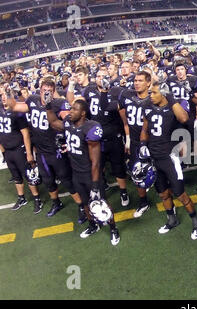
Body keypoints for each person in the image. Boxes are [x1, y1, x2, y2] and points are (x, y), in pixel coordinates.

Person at [7, 78, 85, 221]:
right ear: (40, 90)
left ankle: (81, 205)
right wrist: (9, 92)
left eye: (49, 90)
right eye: (44, 90)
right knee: (48, 180)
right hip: (41, 151)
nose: (46, 93)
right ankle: (56, 203)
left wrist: (66, 134)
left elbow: (68, 120)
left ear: (54, 91)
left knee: (66, 180)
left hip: (56, 150)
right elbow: (14, 107)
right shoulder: (32, 100)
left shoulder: (59, 103)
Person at [46, 98, 120, 246]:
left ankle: (113, 228)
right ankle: (93, 225)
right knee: (85, 203)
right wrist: (48, 106)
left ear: (83, 113)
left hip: (90, 174)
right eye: (71, 108)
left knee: (101, 203)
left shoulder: (90, 128)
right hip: (76, 172)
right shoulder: (68, 123)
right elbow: (54, 122)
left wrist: (94, 185)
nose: (70, 112)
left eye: (74, 109)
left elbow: (96, 162)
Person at [139, 79, 197, 240]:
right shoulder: (147, 107)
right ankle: (171, 219)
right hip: (154, 157)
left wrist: (171, 98)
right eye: (150, 92)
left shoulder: (173, 107)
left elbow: (183, 119)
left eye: (154, 92)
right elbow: (145, 129)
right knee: (163, 194)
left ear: (164, 93)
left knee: (180, 193)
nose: (150, 95)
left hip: (170, 157)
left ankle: (196, 222)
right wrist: (142, 145)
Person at [79, 70, 130, 207]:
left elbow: (123, 118)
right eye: (99, 76)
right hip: (96, 138)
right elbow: (78, 105)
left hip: (113, 135)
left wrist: (128, 138)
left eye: (104, 76)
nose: (101, 79)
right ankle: (101, 191)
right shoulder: (88, 91)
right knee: (97, 166)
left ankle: (123, 191)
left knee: (118, 167)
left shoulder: (115, 91)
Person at [0, 83, 42, 213]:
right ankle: (21, 197)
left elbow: (25, 133)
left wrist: (29, 153)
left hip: (19, 148)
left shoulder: (17, 112)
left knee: (29, 174)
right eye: (1, 95)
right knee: (16, 176)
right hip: (7, 150)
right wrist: (2, 150)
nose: (3, 98)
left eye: (5, 95)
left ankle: (37, 198)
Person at [118, 71, 153, 218]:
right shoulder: (127, 95)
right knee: (137, 173)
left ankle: (166, 197)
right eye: (135, 80)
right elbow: (122, 112)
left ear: (148, 83)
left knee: (160, 173)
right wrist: (127, 135)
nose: (136, 83)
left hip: (153, 142)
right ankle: (143, 202)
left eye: (140, 80)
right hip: (135, 142)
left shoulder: (154, 99)